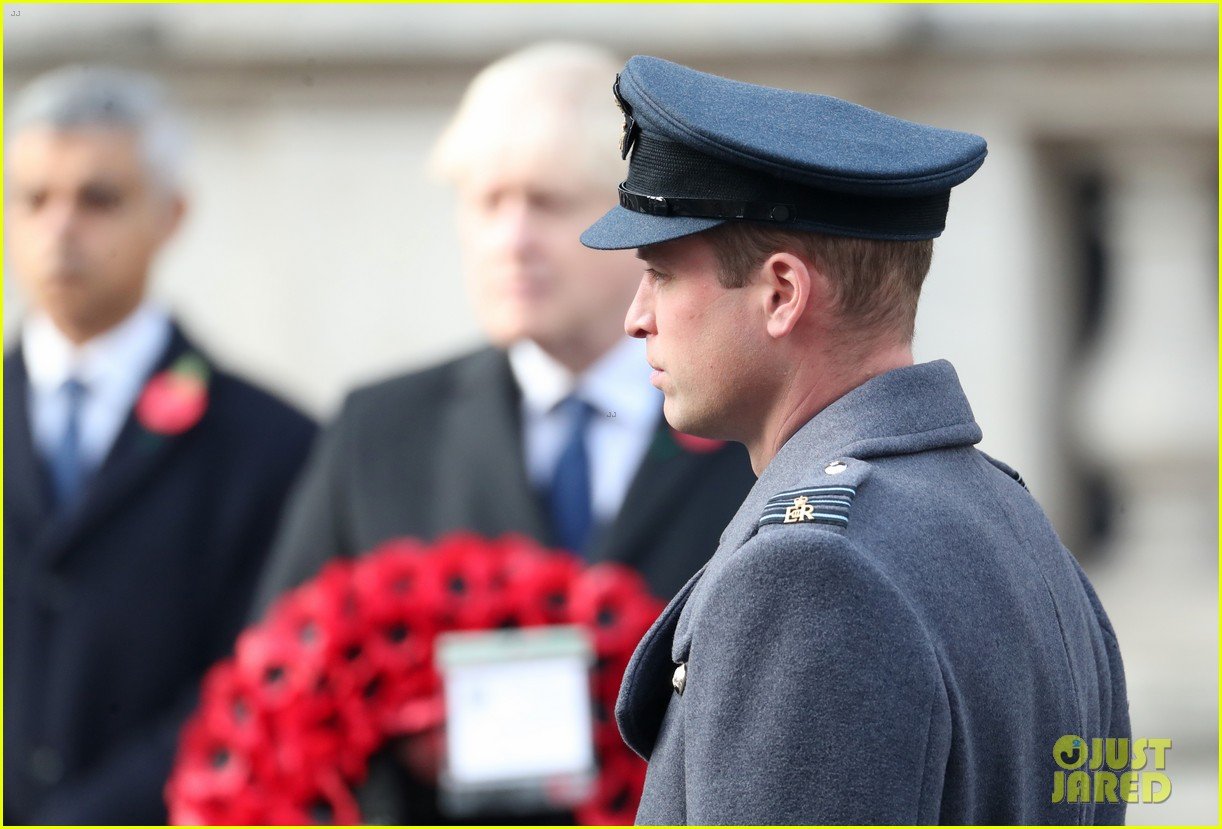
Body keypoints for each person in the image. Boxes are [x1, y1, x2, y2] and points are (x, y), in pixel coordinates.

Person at [580, 56, 1131, 825]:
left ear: (781, 293)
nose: (637, 317)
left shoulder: (806, 577)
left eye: (663, 273)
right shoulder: (1016, 523)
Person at [250, 44, 756, 822]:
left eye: (548, 202)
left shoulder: (746, 421)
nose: (511, 240)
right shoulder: (381, 429)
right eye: (487, 203)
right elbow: (280, 698)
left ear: (636, 221)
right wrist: (407, 739)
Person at [3, 66, 317, 824]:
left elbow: (258, 676)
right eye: (34, 199)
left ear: (170, 215)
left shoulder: (271, 443)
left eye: (99, 198)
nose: (61, 228)